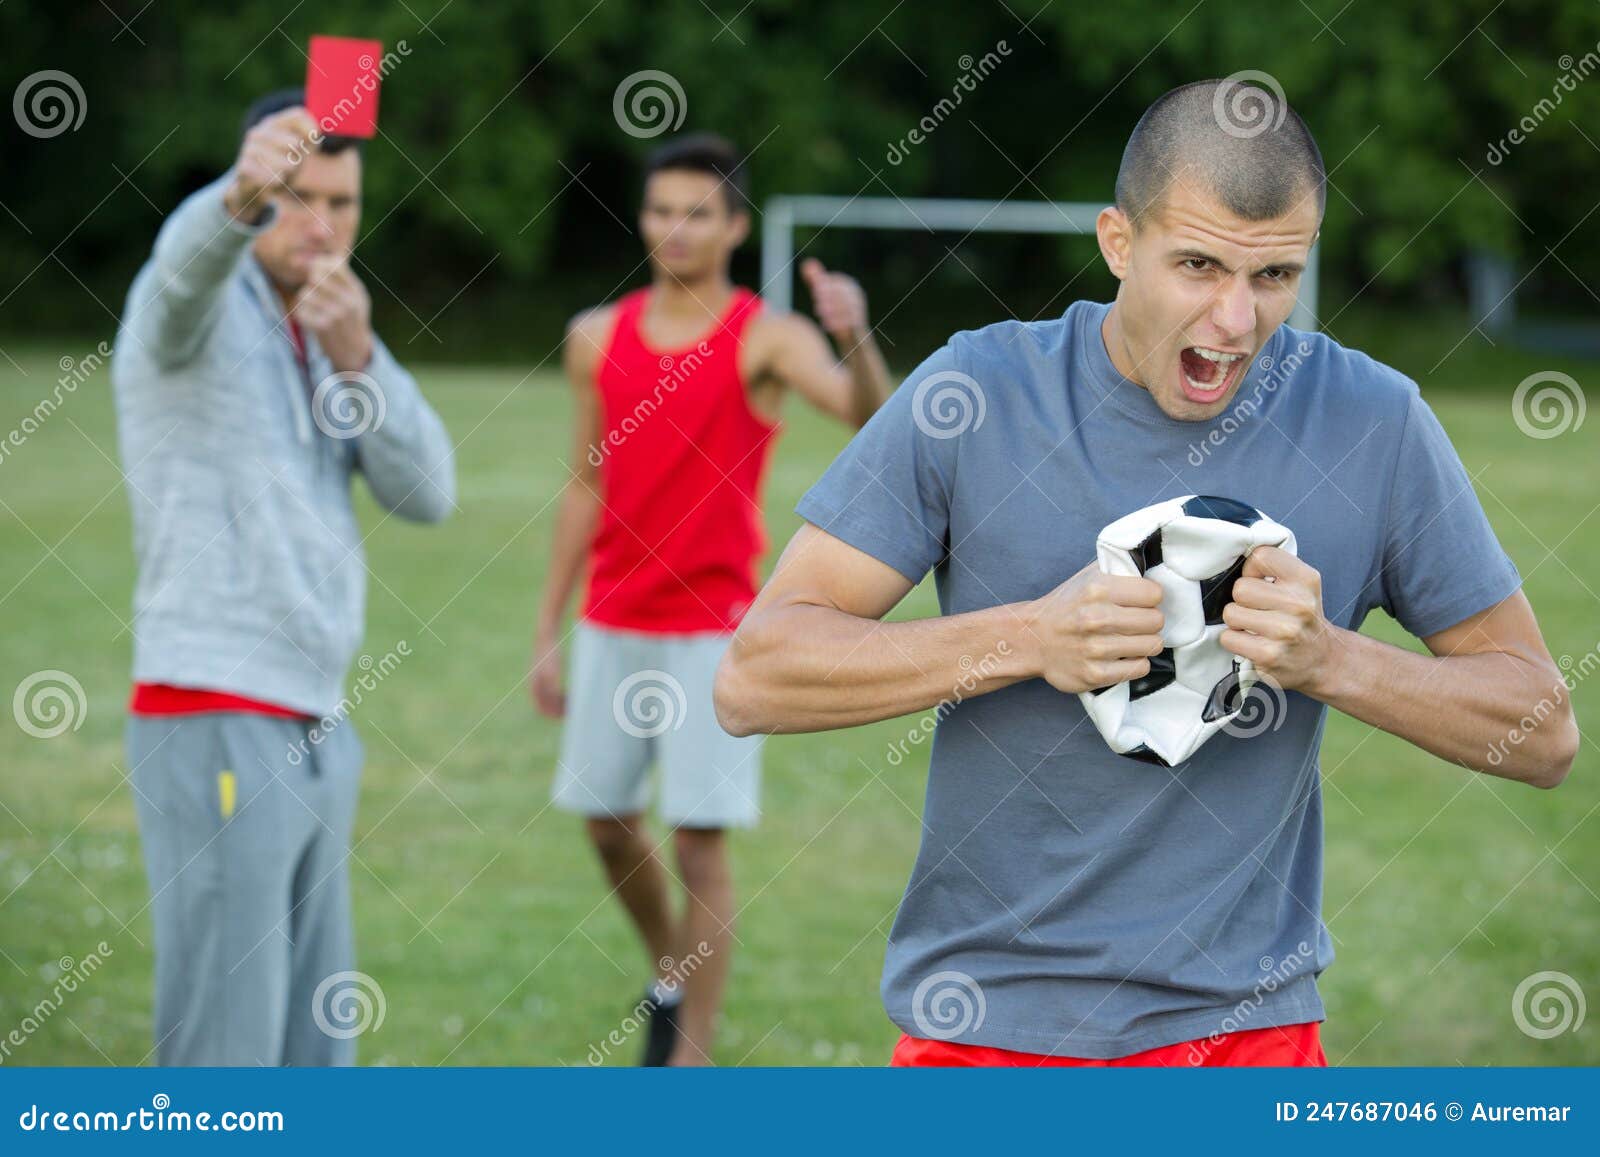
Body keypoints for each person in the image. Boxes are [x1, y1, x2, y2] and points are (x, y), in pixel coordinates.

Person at [713, 80, 1577, 1067]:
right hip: (986, 1030)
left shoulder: (1372, 421)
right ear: (1118, 242)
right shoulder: (975, 393)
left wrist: (1329, 657)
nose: (1233, 318)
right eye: (1198, 265)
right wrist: (1031, 638)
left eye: (1274, 275)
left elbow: (1542, 728)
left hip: (1245, 1033)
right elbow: (756, 676)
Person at [110, 89, 456, 1066]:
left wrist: (360, 364)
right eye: (296, 196)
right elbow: (177, 278)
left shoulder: (327, 322)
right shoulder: (195, 308)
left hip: (316, 714)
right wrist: (232, 197)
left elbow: (428, 490)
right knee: (227, 1040)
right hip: (211, 701)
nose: (320, 223)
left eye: (341, 203)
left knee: (311, 1039)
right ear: (259, 189)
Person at [532, 133, 891, 1065]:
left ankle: (686, 1057)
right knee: (607, 826)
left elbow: (868, 416)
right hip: (613, 618)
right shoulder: (594, 337)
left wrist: (853, 333)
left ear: (735, 224)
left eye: (697, 212)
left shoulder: (765, 336)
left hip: (713, 632)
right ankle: (670, 967)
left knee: (698, 848)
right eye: (660, 211)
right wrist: (545, 627)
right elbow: (583, 485)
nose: (675, 229)